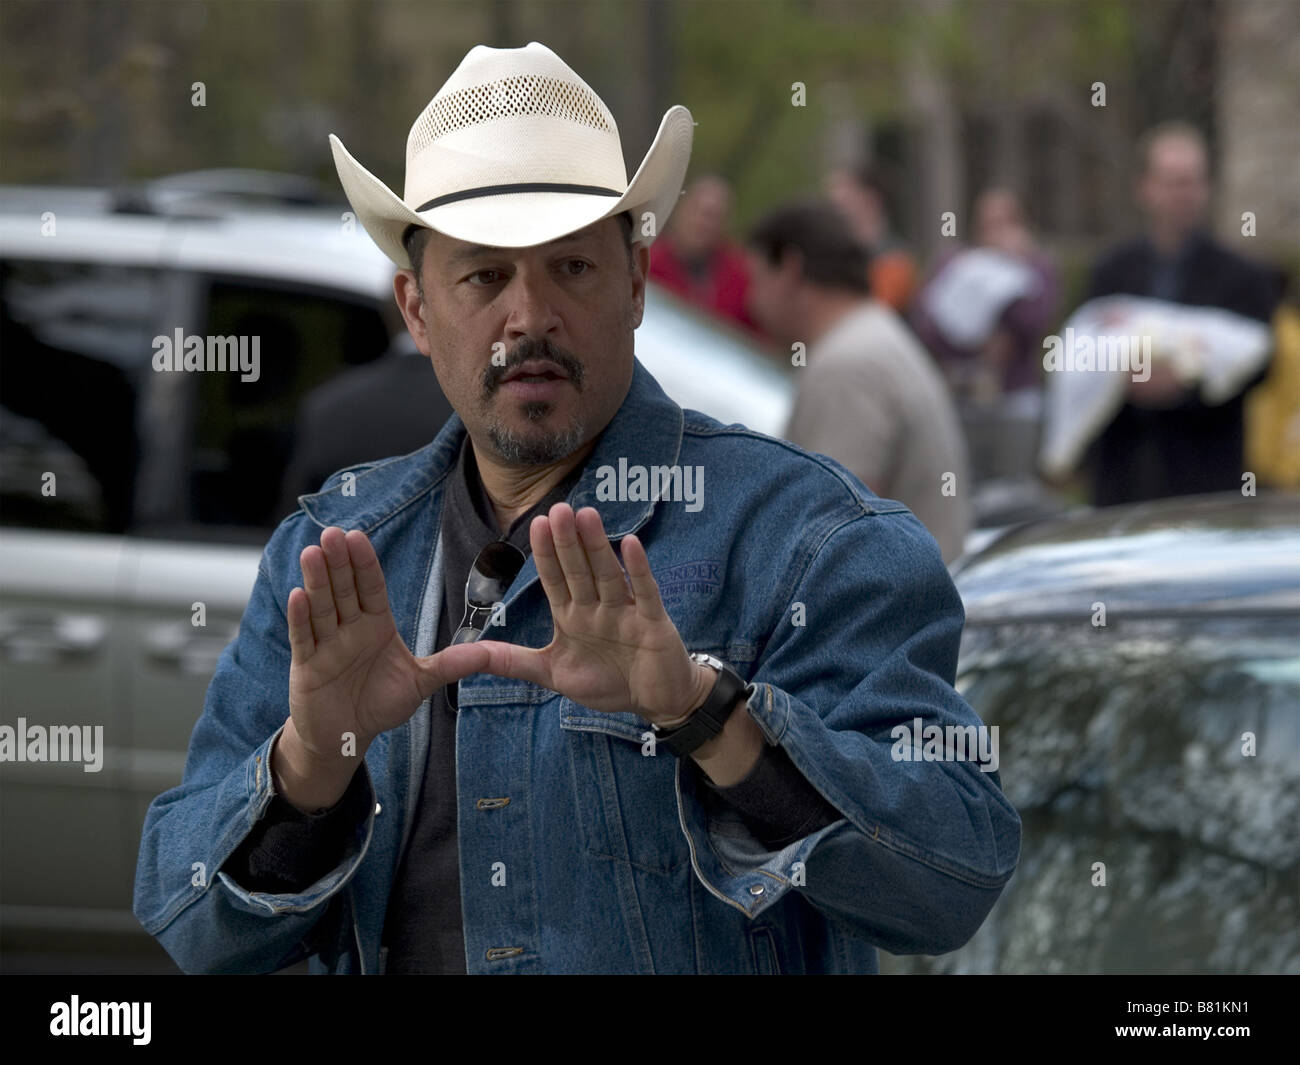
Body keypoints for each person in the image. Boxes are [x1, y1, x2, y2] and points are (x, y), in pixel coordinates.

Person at [134, 42, 1018, 975]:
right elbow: (190, 928)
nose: (530, 316)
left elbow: (954, 877)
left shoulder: (811, 537)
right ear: (417, 310)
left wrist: (708, 717)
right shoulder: (331, 556)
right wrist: (313, 763)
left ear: (636, 285)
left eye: (573, 269)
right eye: (484, 276)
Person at [745, 199, 973, 564]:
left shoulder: (847, 366)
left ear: (790, 270)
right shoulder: (874, 336)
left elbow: (839, 539)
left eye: (755, 279)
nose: (749, 299)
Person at [1080, 121, 1279, 505]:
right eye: (1172, 181)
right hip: (1123, 481)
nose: (1182, 194)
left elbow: (1262, 362)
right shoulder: (1110, 272)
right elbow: (1079, 350)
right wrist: (1123, 376)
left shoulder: (1241, 276)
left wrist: (1185, 379)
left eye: (1191, 181)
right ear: (1146, 188)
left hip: (1206, 479)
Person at [647, 173, 762, 336]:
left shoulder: (742, 278)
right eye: (699, 211)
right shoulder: (648, 262)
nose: (703, 223)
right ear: (680, 210)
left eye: (714, 217)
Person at [825, 163, 918, 314]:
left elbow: (876, 313)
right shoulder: (834, 254)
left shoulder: (894, 260)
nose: (834, 199)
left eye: (844, 192)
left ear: (871, 198)